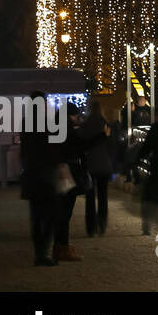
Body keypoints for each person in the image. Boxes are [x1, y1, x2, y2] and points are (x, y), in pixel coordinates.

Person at [19, 92, 60, 266]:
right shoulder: (47, 122)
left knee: (36, 216)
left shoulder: (26, 122)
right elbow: (53, 148)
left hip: (31, 173)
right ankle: (44, 252)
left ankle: (39, 252)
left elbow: (25, 150)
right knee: (51, 215)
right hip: (46, 173)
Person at [54, 106, 87, 261]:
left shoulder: (54, 126)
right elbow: (82, 146)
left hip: (58, 169)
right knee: (65, 211)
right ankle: (64, 247)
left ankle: (58, 246)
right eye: (75, 115)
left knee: (61, 210)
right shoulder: (68, 128)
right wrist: (102, 136)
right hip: (69, 170)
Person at [80, 100, 114, 236]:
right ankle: (102, 223)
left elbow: (82, 144)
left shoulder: (85, 125)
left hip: (90, 164)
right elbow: (112, 145)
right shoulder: (106, 124)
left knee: (89, 197)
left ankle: (90, 227)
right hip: (104, 164)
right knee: (103, 196)